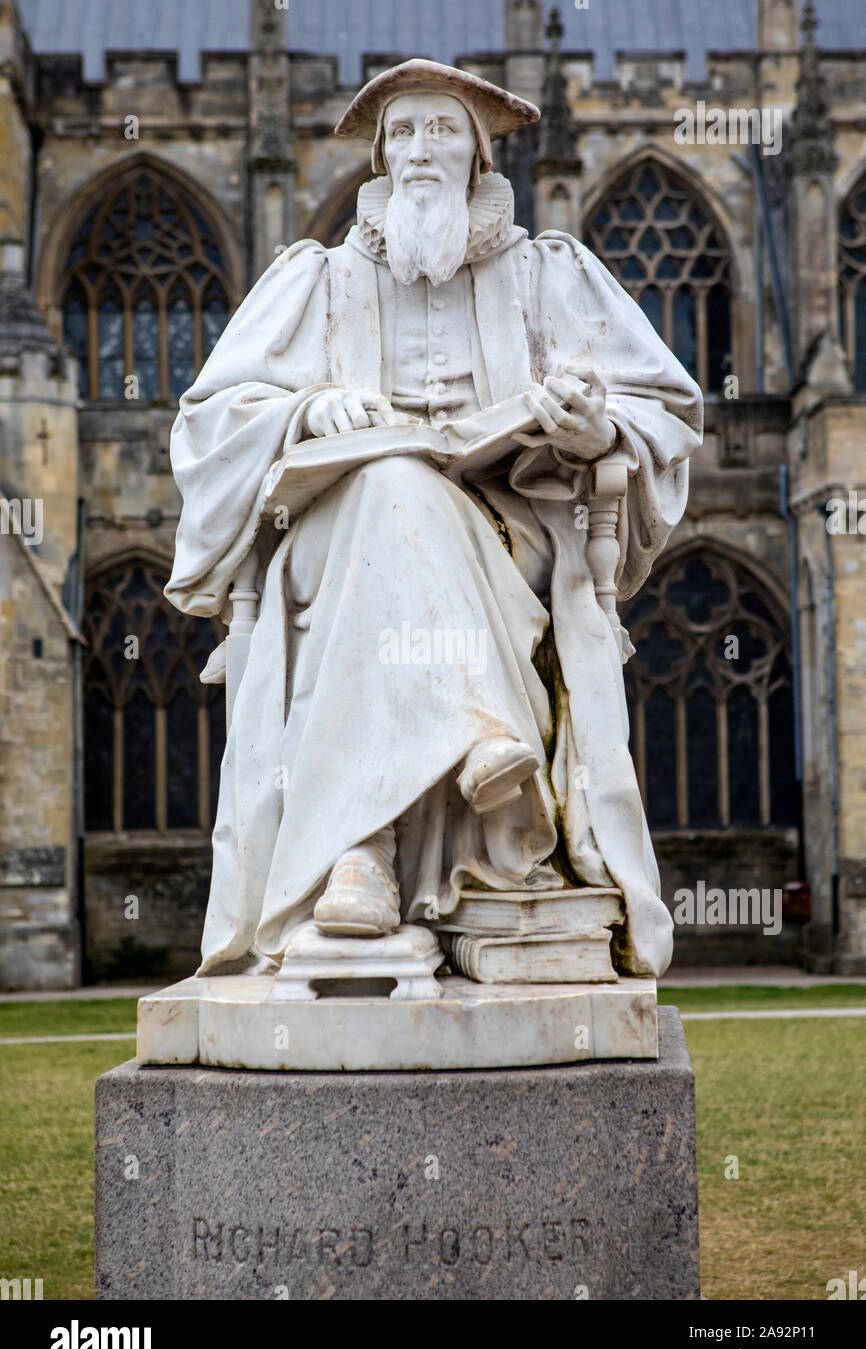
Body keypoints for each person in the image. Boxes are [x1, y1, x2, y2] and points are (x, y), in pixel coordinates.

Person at [165, 60, 703, 979]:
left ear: (476, 157)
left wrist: (597, 425)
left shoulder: (549, 275)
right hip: (334, 543)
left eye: (442, 131)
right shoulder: (317, 281)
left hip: (510, 537)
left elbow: (668, 408)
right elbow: (207, 420)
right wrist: (304, 413)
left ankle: (362, 858)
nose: (421, 150)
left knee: (405, 487)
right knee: (390, 482)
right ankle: (478, 737)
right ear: (380, 159)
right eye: (404, 132)